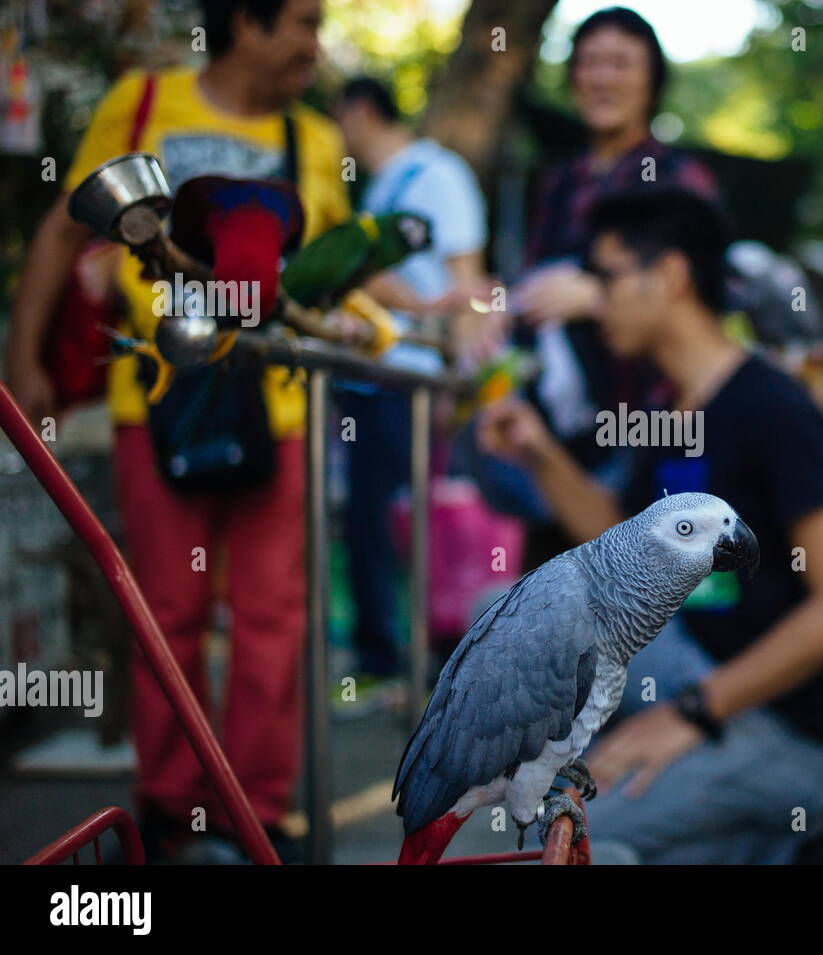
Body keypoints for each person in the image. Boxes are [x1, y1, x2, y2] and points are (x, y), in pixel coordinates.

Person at [3, 0, 349, 861]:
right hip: (156, 396)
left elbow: (331, 274)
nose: (315, 43)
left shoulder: (314, 138)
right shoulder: (144, 103)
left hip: (277, 407)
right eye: (301, 21)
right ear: (243, 22)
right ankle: (169, 806)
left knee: (274, 614)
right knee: (166, 608)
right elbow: (63, 228)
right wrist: (23, 355)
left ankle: (255, 812)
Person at [475, 187, 823, 864]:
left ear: (669, 277)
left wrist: (691, 711)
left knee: (582, 842)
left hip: (783, 717)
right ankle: (735, 828)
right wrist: (538, 450)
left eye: (605, 277)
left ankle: (787, 833)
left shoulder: (775, 407)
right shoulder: (668, 406)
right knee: (500, 612)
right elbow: (614, 533)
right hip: (693, 656)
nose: (593, 297)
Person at [507, 6, 718, 570]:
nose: (603, 77)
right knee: (549, 599)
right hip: (556, 432)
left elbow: (712, 296)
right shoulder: (560, 180)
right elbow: (530, 281)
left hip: (646, 424)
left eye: (621, 63)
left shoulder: (679, 175)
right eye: (591, 62)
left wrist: (597, 296)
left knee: (635, 589)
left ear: (651, 80)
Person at [330, 76, 487, 690]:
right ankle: (392, 661)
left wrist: (456, 382)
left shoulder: (435, 176)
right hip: (373, 380)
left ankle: (414, 665)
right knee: (374, 520)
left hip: (412, 381)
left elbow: (466, 288)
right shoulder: (384, 185)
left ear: (360, 111)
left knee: (406, 522)